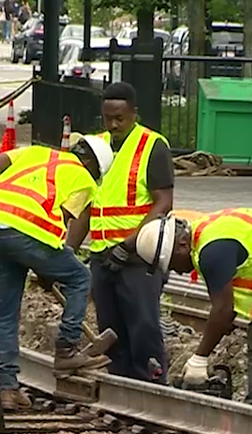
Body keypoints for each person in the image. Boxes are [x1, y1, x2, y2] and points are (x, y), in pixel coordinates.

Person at [0, 133, 115, 410]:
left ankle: (8, 389)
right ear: (93, 166)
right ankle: (67, 349)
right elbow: (67, 222)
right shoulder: (82, 179)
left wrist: (7, 215)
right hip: (27, 235)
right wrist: (50, 265)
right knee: (81, 278)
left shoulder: (37, 153)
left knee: (7, 313)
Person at [131, 207, 252, 408]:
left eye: (173, 265)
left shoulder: (211, 253)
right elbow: (225, 307)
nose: (178, 272)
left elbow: (223, 310)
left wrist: (200, 358)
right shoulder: (204, 235)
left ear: (182, 245)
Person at [65, 81, 174, 384]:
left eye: (120, 119)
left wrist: (129, 243)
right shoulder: (96, 147)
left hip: (138, 258)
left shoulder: (152, 146)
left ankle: (153, 386)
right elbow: (85, 205)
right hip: (102, 257)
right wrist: (67, 252)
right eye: (108, 118)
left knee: (143, 327)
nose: (113, 125)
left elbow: (163, 202)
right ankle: (121, 388)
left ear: (134, 114)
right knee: (110, 328)